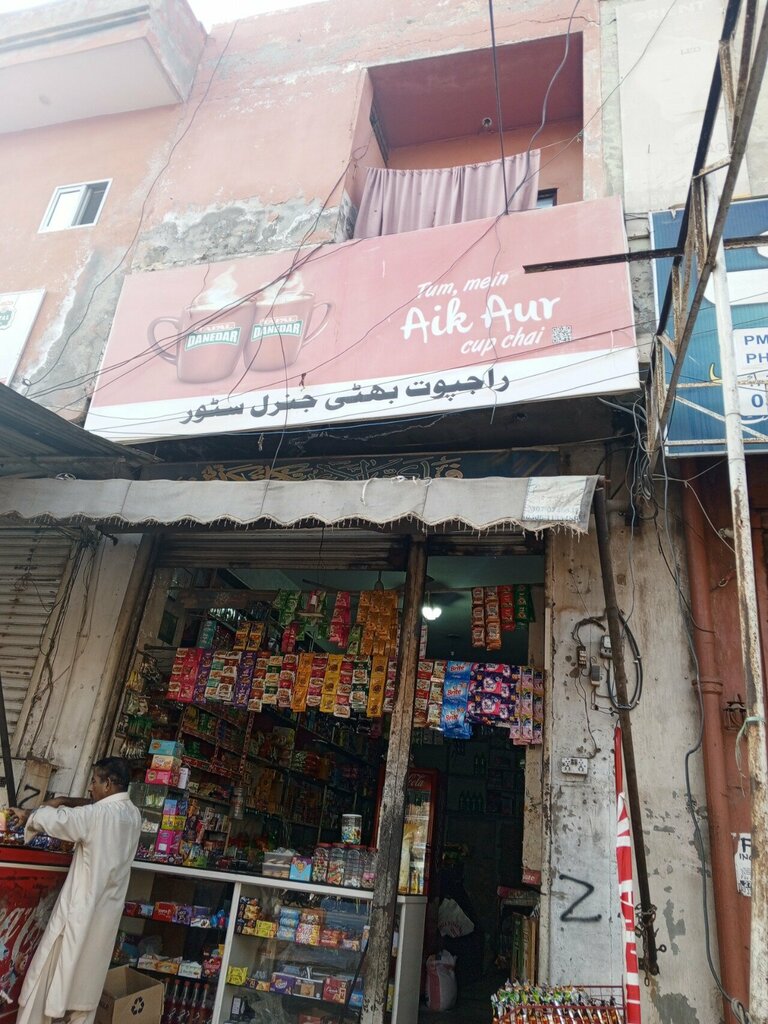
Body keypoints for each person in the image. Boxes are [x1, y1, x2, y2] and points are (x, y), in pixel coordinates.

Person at [9, 757, 142, 1024]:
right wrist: (64, 800)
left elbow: (63, 822)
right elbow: (91, 808)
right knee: (84, 983)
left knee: (48, 976)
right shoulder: (132, 815)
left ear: (108, 783)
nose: (91, 788)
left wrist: (31, 815)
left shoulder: (98, 817)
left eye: (94, 782)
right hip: (104, 914)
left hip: (79, 910)